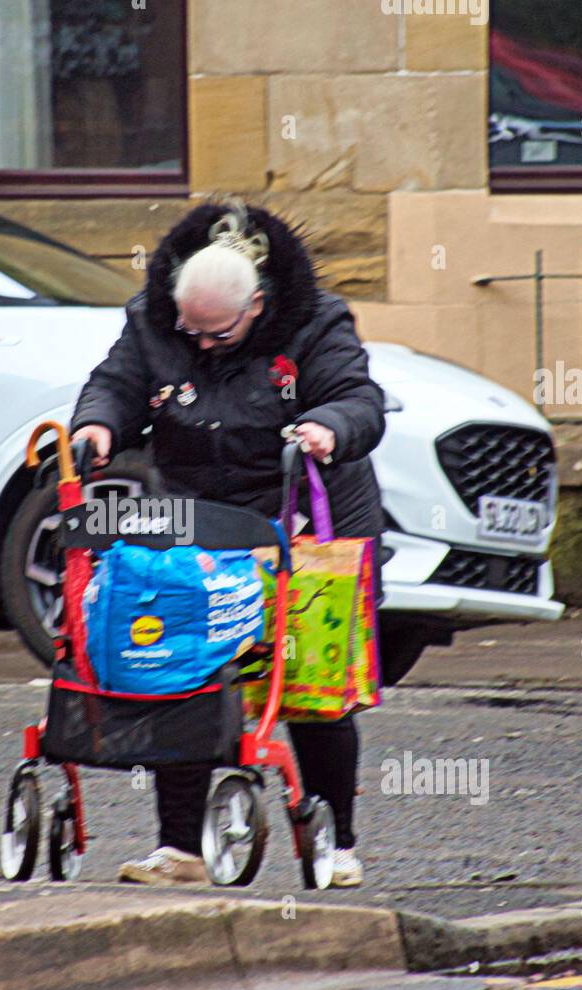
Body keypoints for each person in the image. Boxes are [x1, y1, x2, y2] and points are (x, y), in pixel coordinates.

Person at [70, 199, 385, 888]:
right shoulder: (155, 318)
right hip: (198, 514)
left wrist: (326, 426)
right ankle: (180, 848)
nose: (200, 342)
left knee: (310, 679)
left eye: (216, 332)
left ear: (259, 305)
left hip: (305, 511)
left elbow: (358, 398)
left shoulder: (317, 320)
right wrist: (96, 426)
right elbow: (117, 386)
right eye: (190, 328)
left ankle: (336, 842)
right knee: (176, 662)